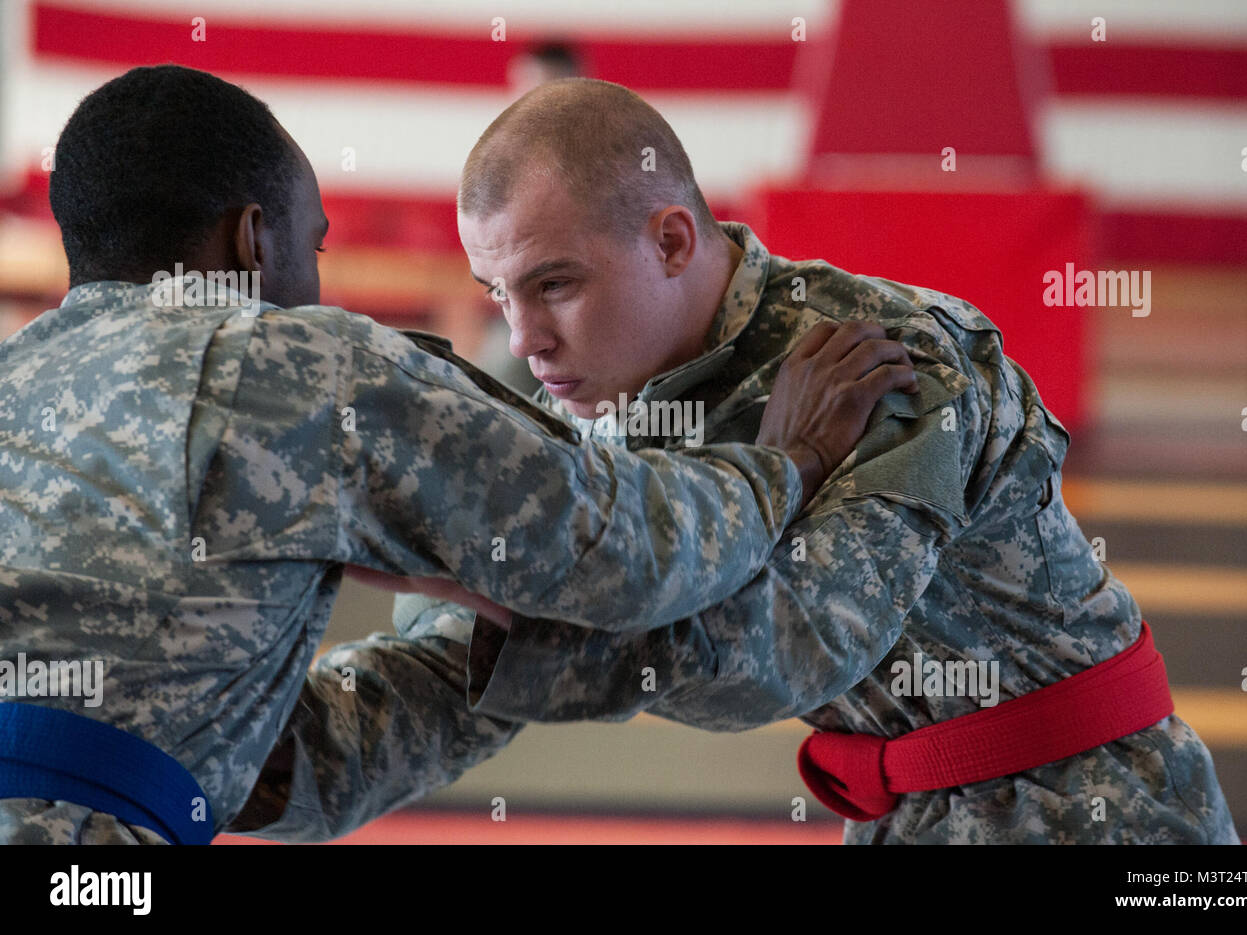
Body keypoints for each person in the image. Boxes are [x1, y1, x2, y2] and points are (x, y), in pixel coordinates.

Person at [233, 78, 1239, 845]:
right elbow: (464, 664)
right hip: (906, 811)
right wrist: (245, 754)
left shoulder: (877, 354)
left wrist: (503, 586)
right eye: (500, 296)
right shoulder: (602, 408)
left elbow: (793, 647)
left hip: (1104, 806)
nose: (528, 339)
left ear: (672, 238)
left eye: (555, 284)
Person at [0, 65, 913, 845]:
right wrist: (787, 456)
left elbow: (241, 739)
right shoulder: (294, 361)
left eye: (552, 284)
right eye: (312, 245)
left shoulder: (15, 375)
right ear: (253, 238)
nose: (529, 338)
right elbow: (632, 555)